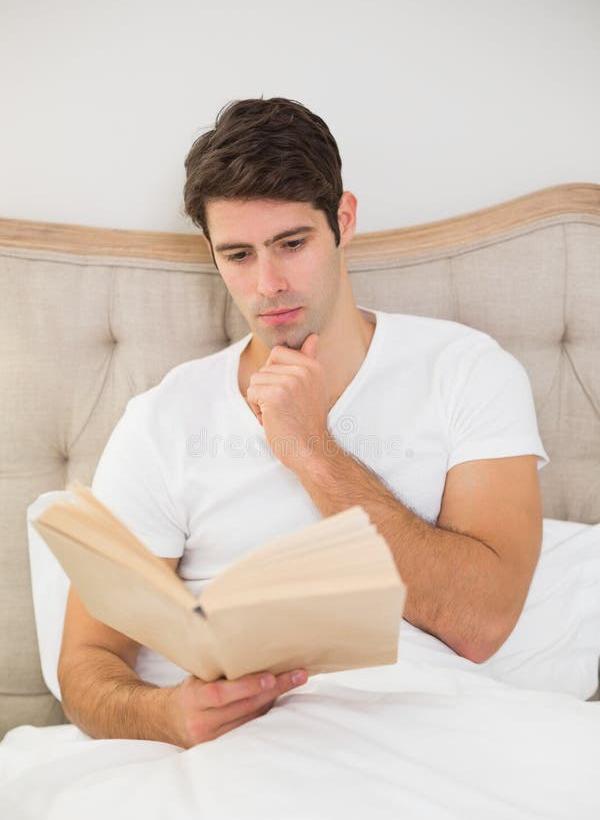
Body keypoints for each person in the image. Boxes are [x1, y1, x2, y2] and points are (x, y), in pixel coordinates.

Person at [58, 97, 548, 749]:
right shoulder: (163, 420)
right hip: (234, 751)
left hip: (425, 732)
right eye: (237, 255)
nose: (268, 284)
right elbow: (86, 664)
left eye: (292, 244)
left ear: (343, 219)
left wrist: (314, 452)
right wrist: (166, 716)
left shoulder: (465, 371)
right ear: (211, 252)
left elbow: (484, 621)